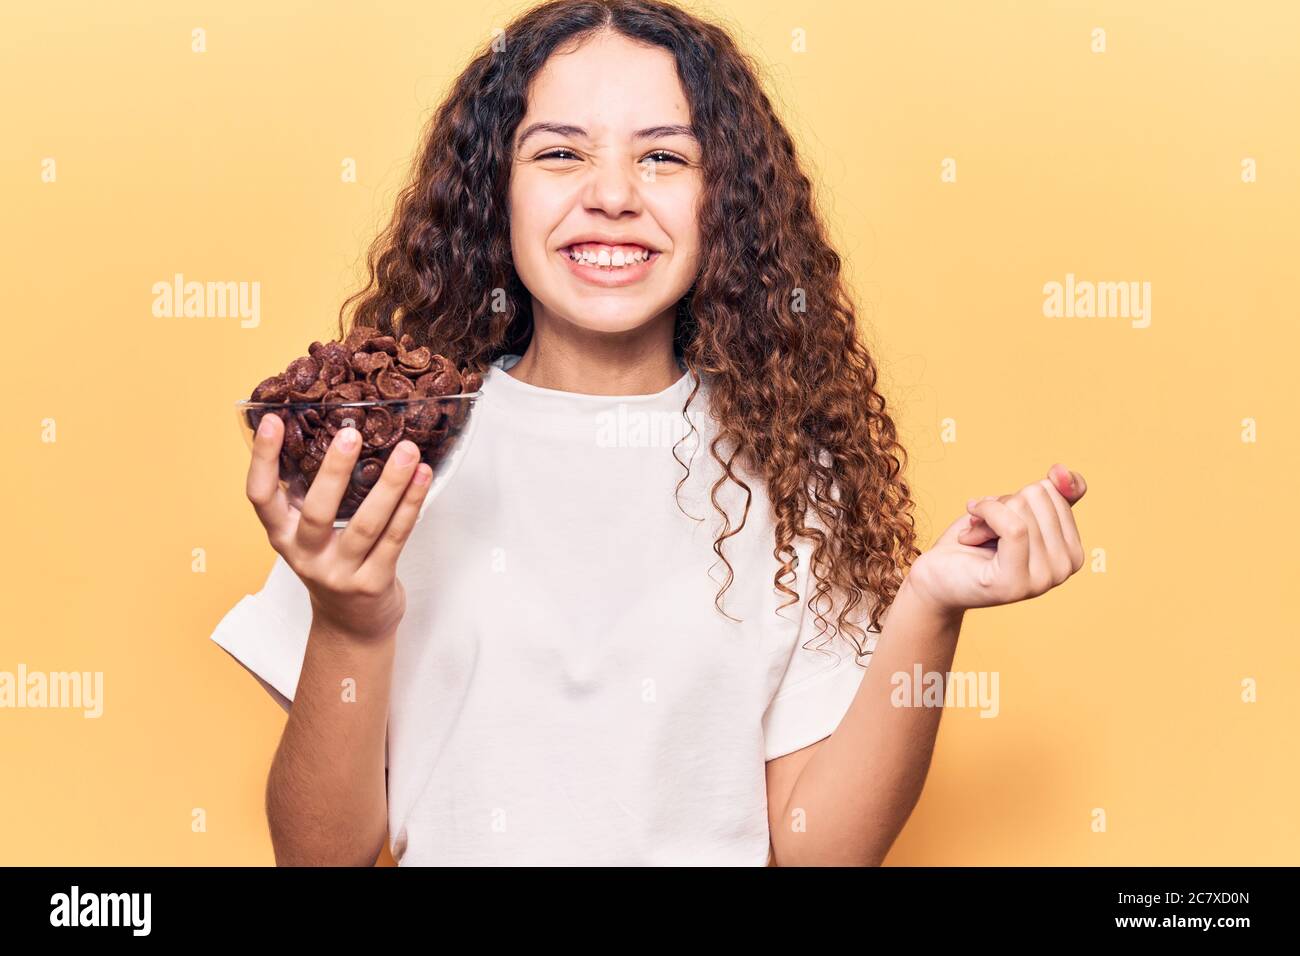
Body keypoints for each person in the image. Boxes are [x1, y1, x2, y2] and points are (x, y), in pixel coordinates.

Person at [210, 0, 1088, 867]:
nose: (613, 196)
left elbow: (822, 850)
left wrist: (931, 606)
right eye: (559, 153)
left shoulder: (787, 471)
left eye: (664, 156)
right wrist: (349, 623)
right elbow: (320, 858)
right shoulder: (398, 458)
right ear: (495, 190)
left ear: (725, 202)